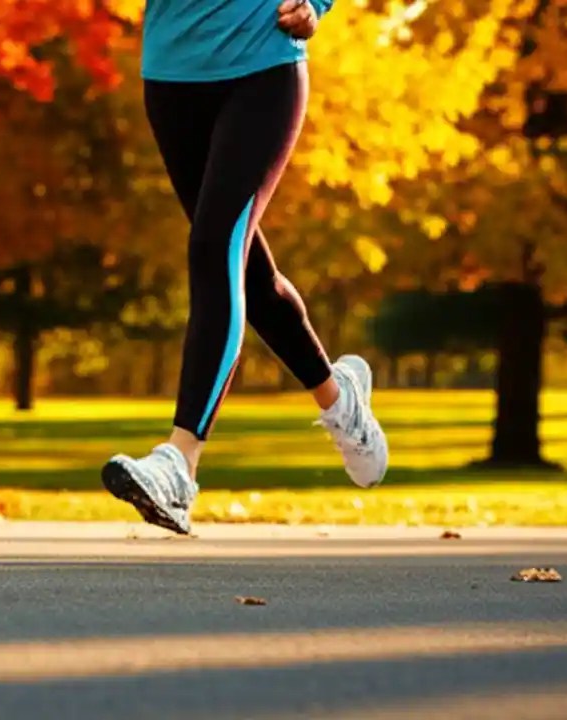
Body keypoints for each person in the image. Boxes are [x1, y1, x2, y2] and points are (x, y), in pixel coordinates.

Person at [101, 0, 389, 534]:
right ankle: (338, 396)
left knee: (213, 247)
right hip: (170, 74)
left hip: (262, 64)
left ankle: (179, 462)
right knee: (249, 274)